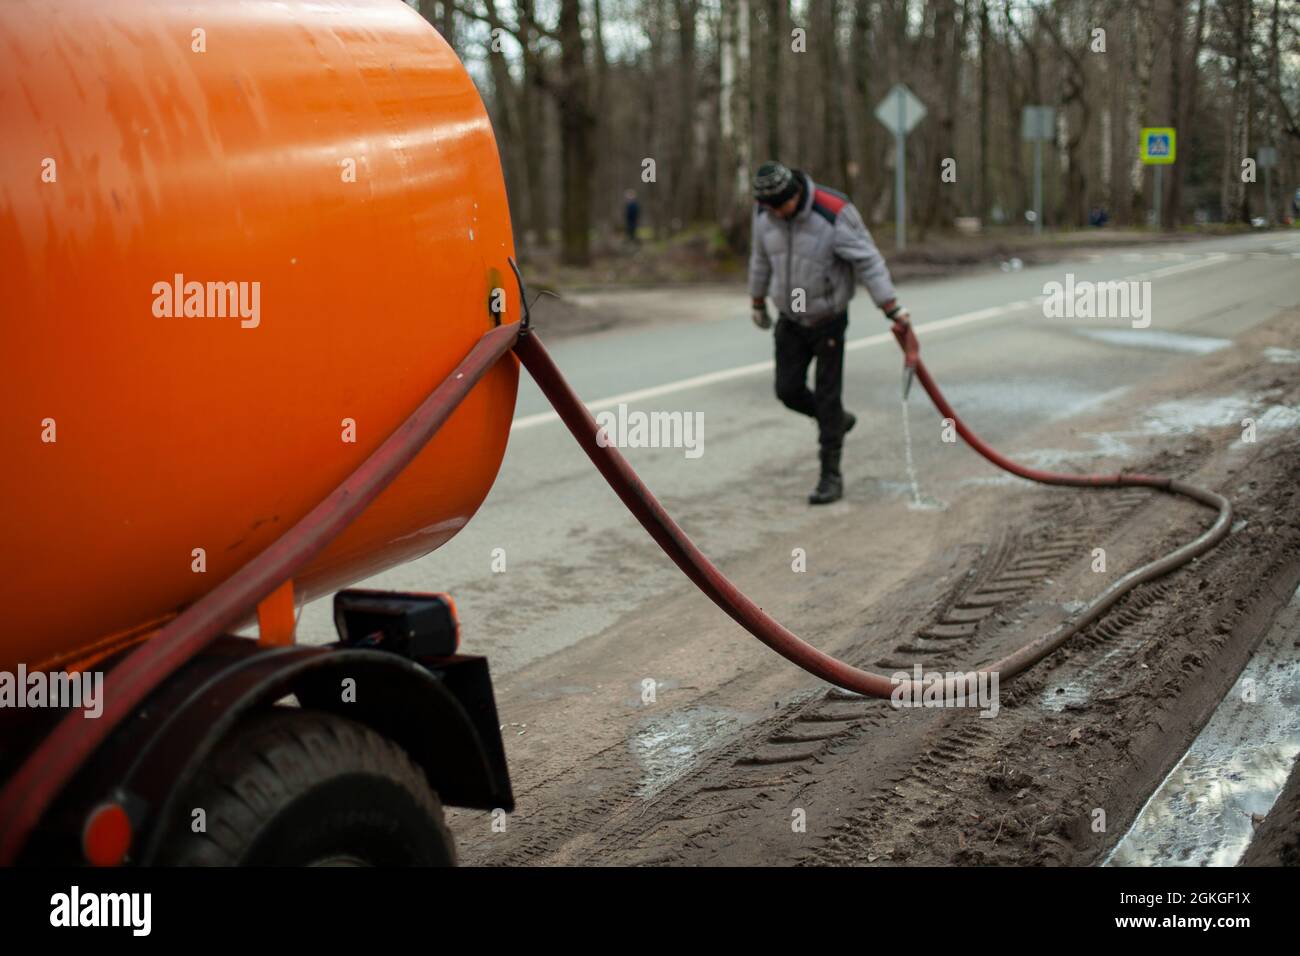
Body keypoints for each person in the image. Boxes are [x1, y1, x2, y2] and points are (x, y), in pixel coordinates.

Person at [747, 160, 911, 505]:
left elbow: (868, 260)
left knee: (827, 395)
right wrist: (757, 300)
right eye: (770, 207)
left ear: (794, 193)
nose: (776, 212)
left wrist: (890, 306)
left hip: (828, 318)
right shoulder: (765, 214)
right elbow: (761, 258)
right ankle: (836, 421)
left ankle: (830, 477)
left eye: (781, 205)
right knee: (787, 390)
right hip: (789, 318)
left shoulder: (833, 212)